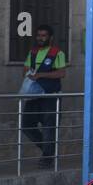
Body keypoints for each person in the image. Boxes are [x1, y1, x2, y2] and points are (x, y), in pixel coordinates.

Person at [20, 24, 68, 169]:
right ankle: (49, 152)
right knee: (26, 125)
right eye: (38, 35)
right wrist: (29, 73)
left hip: (50, 96)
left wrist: (41, 74)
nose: (40, 38)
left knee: (49, 127)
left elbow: (61, 73)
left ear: (50, 38)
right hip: (34, 95)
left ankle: (47, 157)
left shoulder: (57, 53)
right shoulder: (33, 52)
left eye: (43, 36)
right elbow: (26, 68)